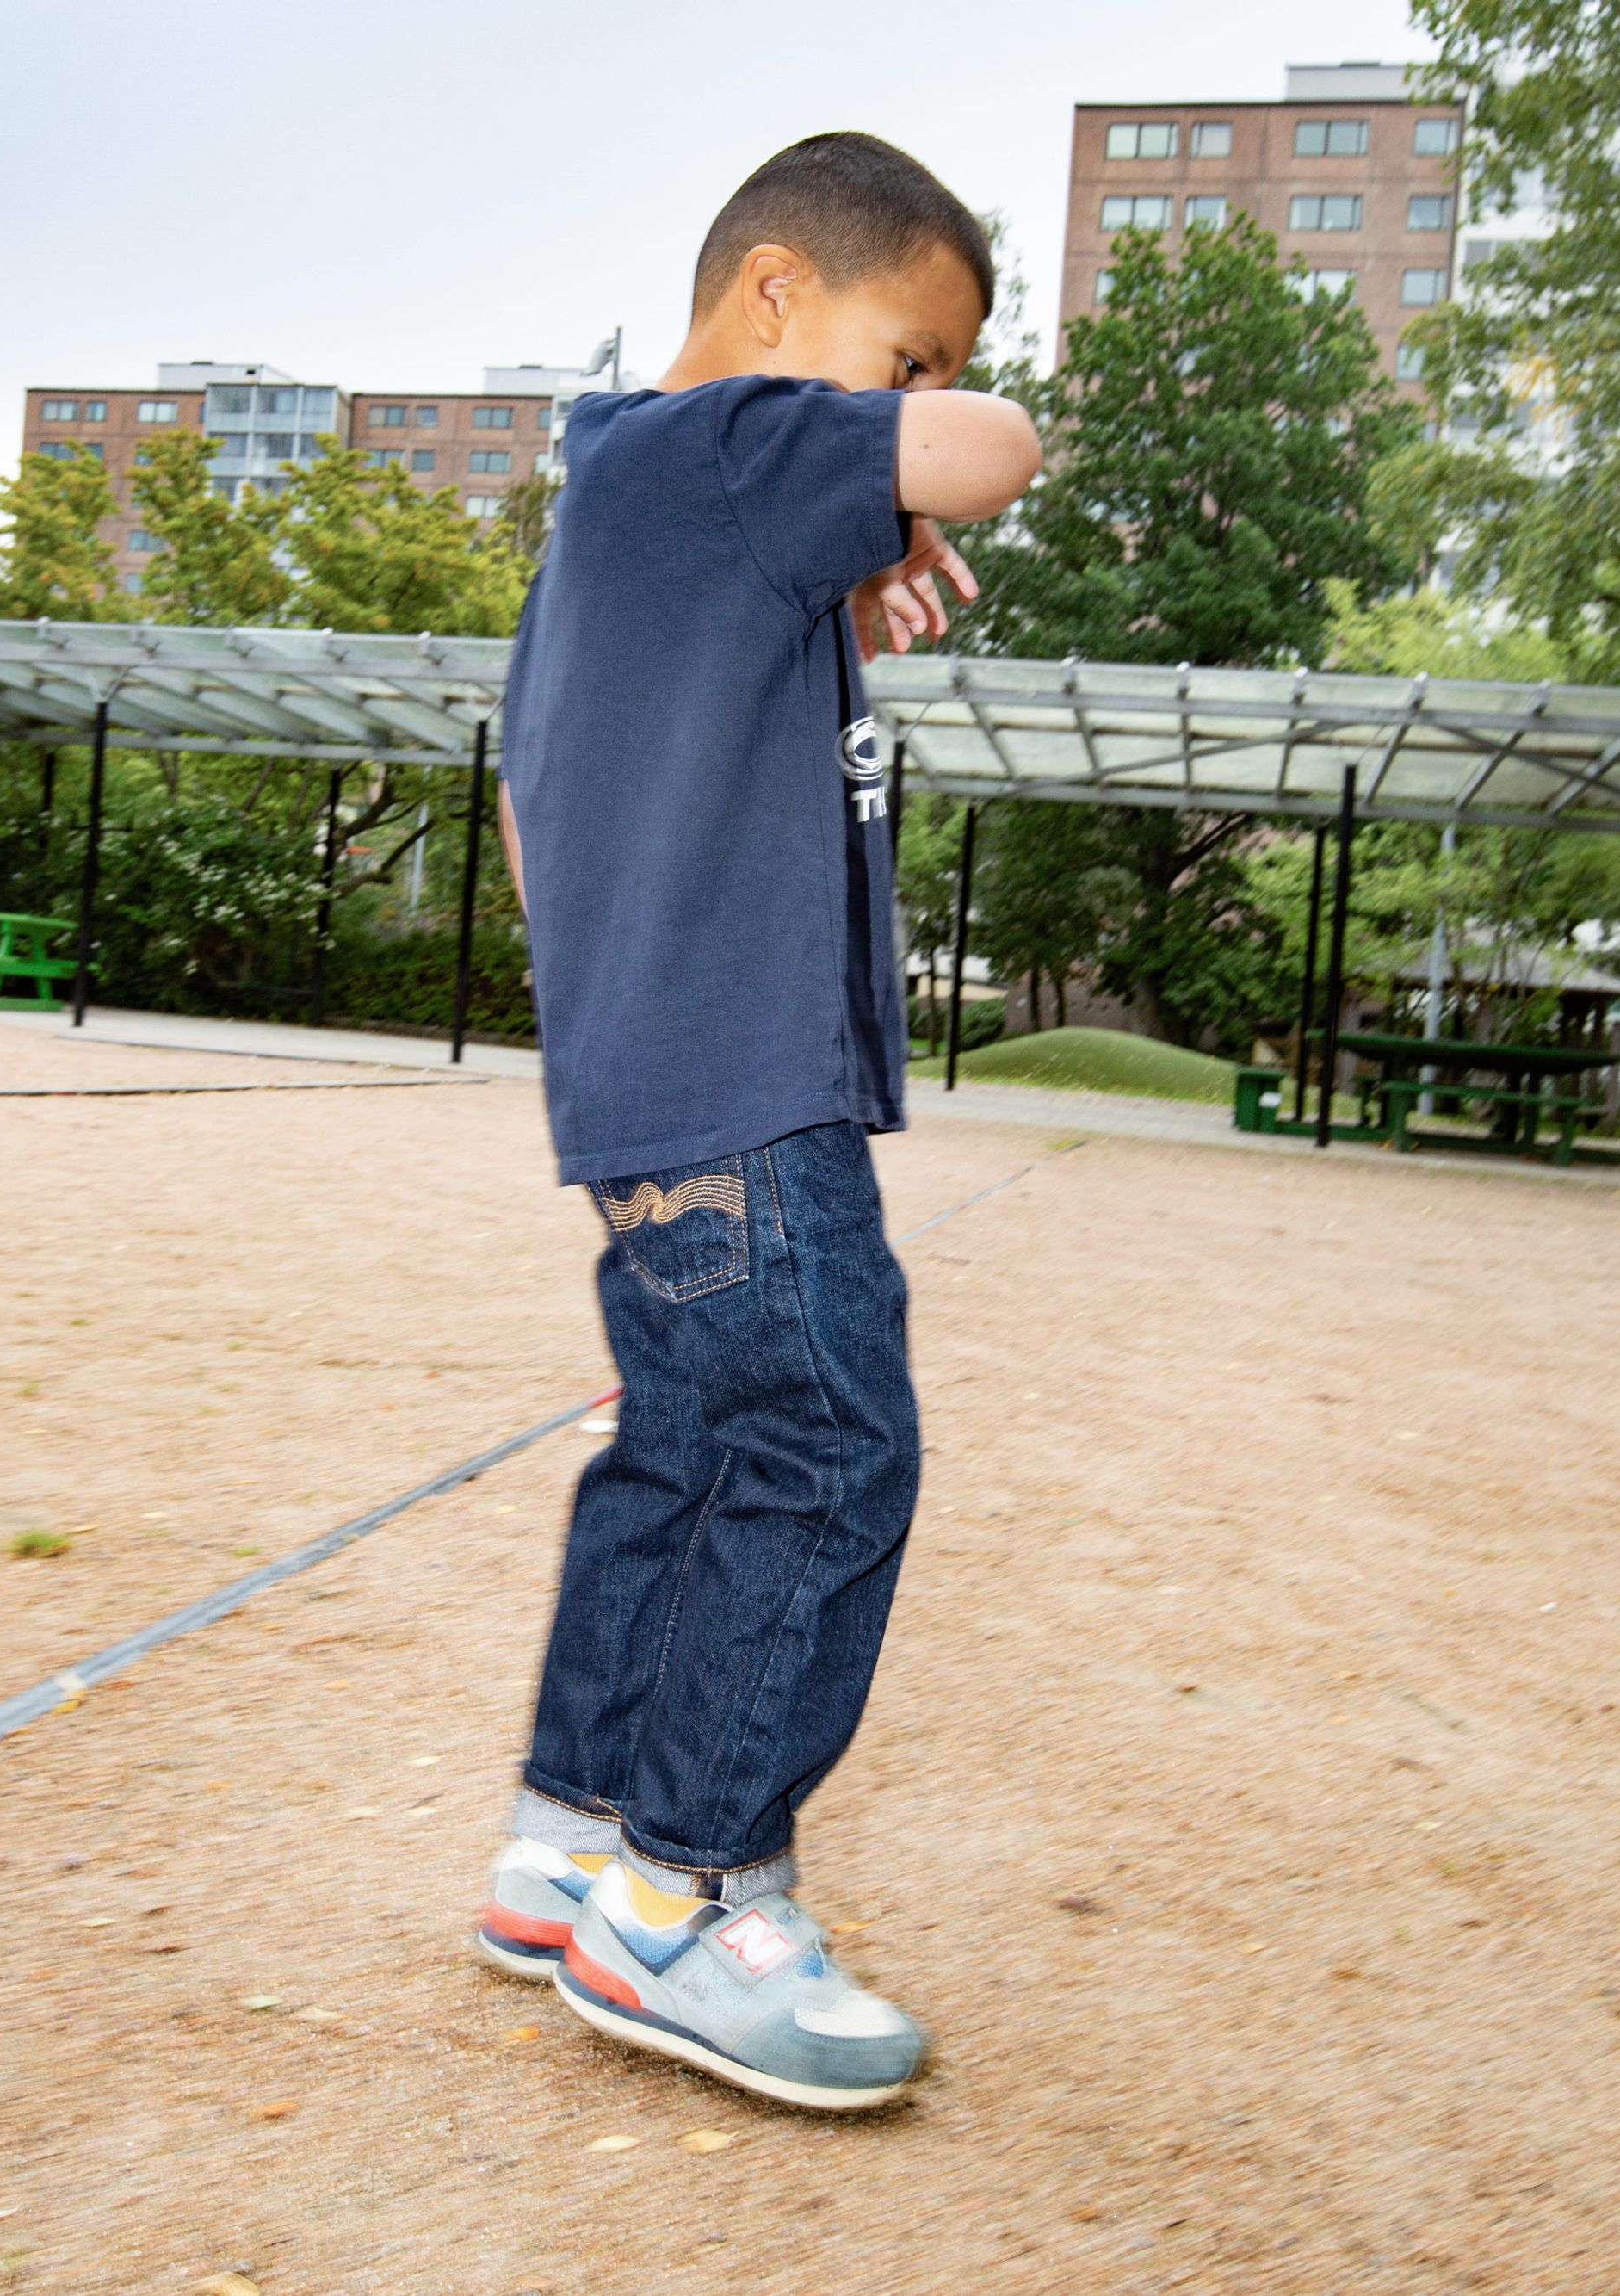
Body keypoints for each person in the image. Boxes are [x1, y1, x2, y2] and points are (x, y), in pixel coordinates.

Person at [473, 131, 1041, 2112]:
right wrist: (891, 477)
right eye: (911, 354)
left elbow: (543, 819)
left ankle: (566, 1840)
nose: (924, 399)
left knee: (683, 1446)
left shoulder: (620, 512)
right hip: (744, 1091)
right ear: (784, 296)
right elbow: (1005, 451)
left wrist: (826, 586)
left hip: (643, 1092)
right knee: (824, 1442)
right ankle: (687, 1892)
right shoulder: (725, 447)